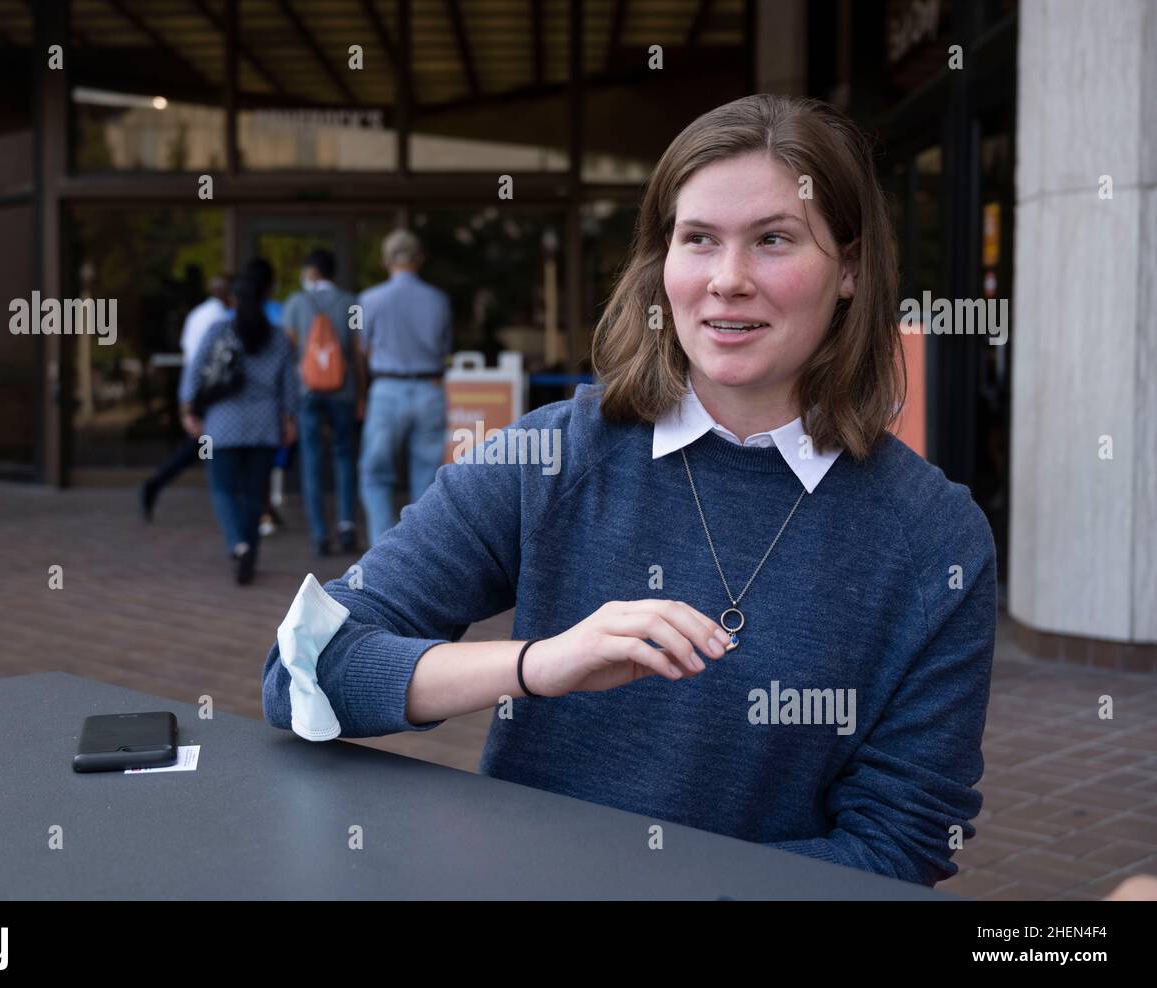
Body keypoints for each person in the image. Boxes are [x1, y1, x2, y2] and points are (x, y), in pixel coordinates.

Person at [264, 95, 999, 887]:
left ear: (850, 267)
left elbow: (904, 843)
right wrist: (536, 664)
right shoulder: (557, 453)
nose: (728, 280)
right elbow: (305, 670)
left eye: (774, 240)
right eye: (699, 240)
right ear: (662, 262)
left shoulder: (935, 537)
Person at [179, 259, 295, 585]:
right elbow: (288, 384)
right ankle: (250, 554)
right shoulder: (278, 338)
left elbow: (196, 370)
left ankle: (238, 545)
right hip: (264, 425)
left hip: (222, 424)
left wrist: (189, 409)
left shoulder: (219, 331)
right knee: (254, 494)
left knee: (223, 489)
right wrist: (289, 419)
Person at [356, 229, 452, 549]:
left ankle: (382, 554)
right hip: (429, 388)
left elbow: (362, 348)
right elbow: (444, 348)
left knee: (375, 474)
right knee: (426, 482)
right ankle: (419, 554)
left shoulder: (369, 300)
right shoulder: (439, 300)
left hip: (386, 389)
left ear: (386, 261)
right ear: (419, 259)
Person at [279, 249, 364, 558]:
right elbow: (357, 353)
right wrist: (362, 394)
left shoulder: (296, 303)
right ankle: (346, 526)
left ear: (310, 272)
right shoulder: (352, 301)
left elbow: (287, 351)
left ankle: (318, 533)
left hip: (307, 392)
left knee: (312, 459)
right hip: (343, 390)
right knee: (344, 456)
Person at [140, 273, 233, 520]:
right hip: (211, 392)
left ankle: (157, 483)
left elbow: (188, 351)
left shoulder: (197, 314)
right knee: (208, 447)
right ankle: (226, 502)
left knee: (201, 447)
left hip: (198, 391)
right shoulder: (221, 319)